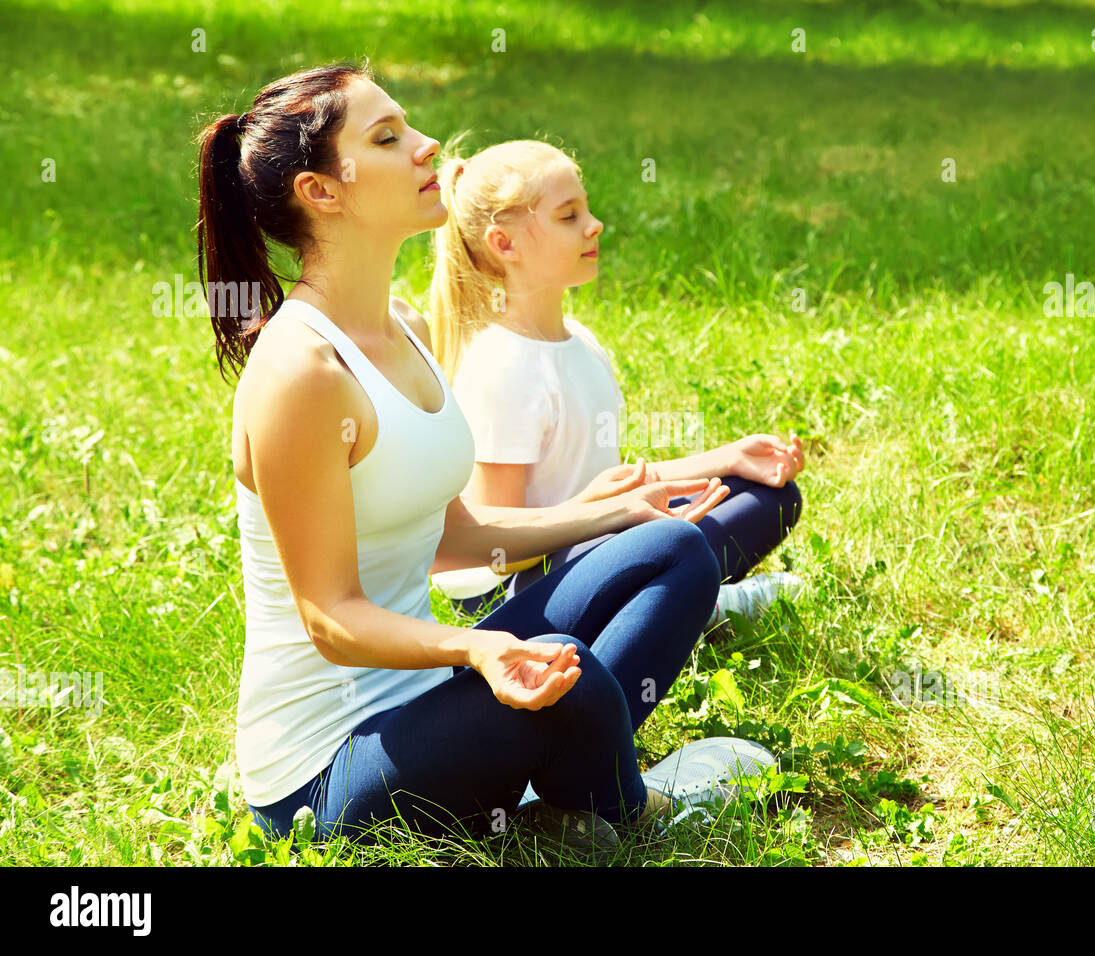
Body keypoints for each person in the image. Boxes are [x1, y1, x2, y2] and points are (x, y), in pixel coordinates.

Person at [199, 61, 745, 846]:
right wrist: (482, 645)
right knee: (559, 662)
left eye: (410, 126)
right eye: (388, 137)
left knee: (671, 549)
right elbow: (330, 619)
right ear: (322, 192)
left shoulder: (402, 327)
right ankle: (628, 805)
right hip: (328, 775)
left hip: (429, 688)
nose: (427, 148)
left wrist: (613, 512)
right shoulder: (302, 375)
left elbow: (453, 535)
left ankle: (568, 784)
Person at [418, 137, 807, 623]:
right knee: (665, 543)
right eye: (569, 216)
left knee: (769, 498)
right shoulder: (502, 369)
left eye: (586, 209)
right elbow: (494, 545)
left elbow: (613, 483)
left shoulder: (577, 341)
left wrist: (729, 458)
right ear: (505, 243)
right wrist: (615, 523)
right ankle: (704, 604)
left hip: (599, 536)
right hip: (514, 585)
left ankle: (677, 592)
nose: (594, 225)